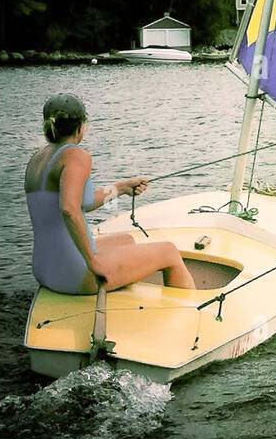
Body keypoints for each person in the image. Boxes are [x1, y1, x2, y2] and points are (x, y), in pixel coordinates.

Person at [24, 92, 196, 295]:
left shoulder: (39, 158)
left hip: (45, 269)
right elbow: (69, 209)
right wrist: (93, 261)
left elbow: (78, 203)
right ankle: (192, 315)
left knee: (126, 240)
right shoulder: (76, 155)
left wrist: (122, 188)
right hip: (73, 274)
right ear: (81, 126)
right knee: (169, 251)